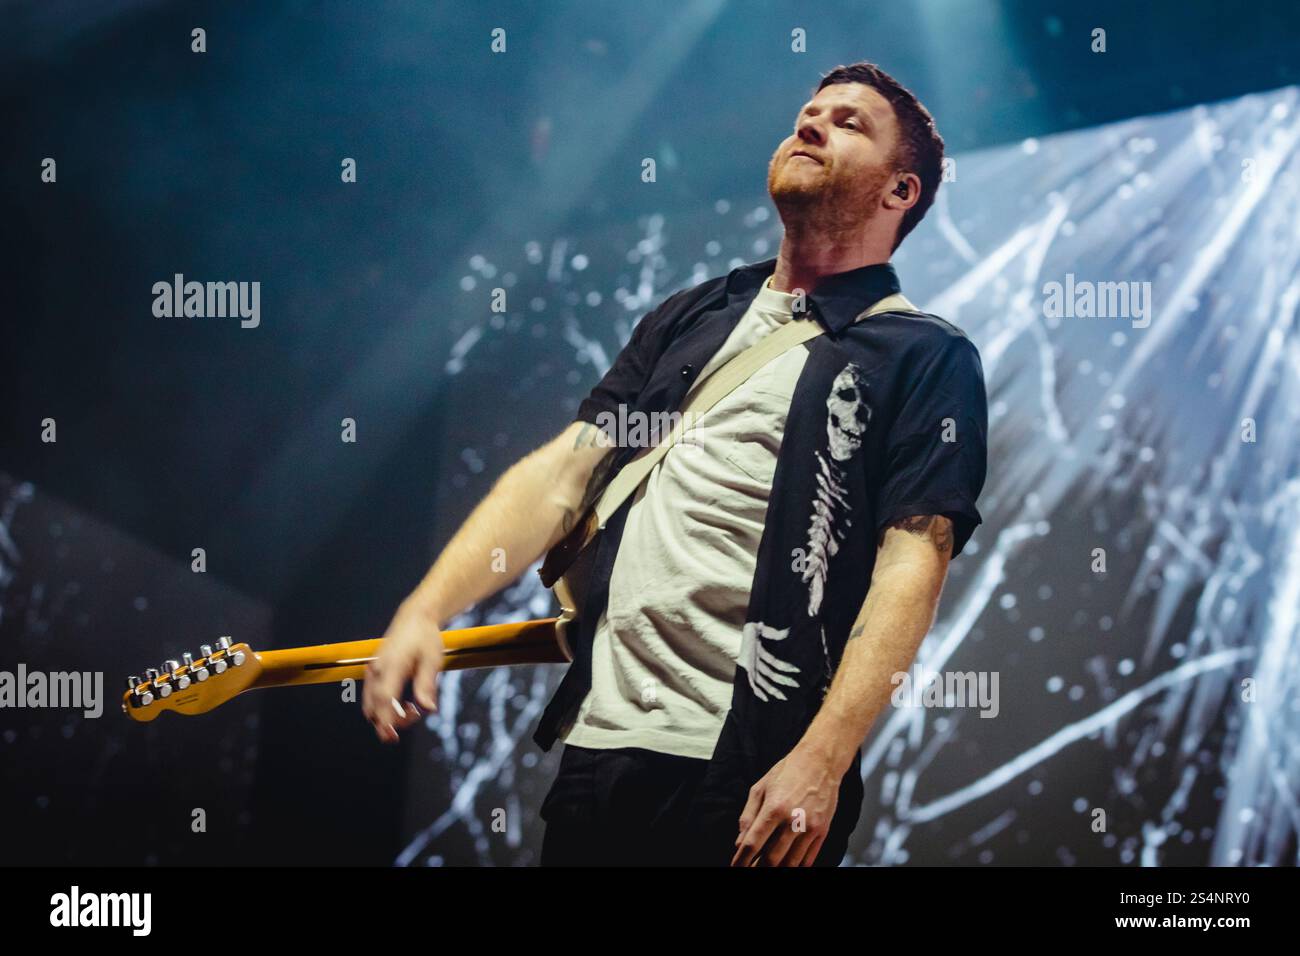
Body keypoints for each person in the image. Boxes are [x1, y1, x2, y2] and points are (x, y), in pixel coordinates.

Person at [362, 61, 988, 867]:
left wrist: (823, 757)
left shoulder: (923, 353)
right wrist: (425, 609)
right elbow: (564, 475)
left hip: (748, 781)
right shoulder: (693, 315)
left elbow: (913, 564)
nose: (809, 125)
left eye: (847, 123)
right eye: (808, 112)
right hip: (598, 755)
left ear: (900, 192)